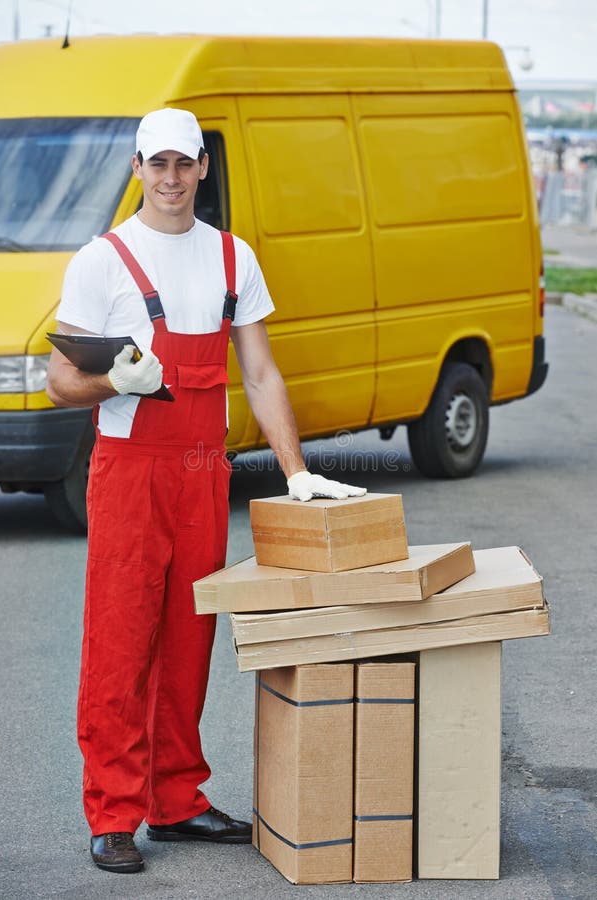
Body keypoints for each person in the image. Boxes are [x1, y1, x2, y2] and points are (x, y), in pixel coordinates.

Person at [46, 108, 365, 875]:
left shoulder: (232, 257)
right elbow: (60, 380)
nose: (169, 178)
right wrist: (108, 380)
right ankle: (114, 813)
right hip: (129, 472)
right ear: (136, 169)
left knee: (189, 641)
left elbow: (259, 372)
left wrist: (295, 472)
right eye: (156, 164)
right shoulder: (104, 259)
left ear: (201, 169)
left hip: (200, 471)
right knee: (121, 641)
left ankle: (177, 799)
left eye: (182, 164)